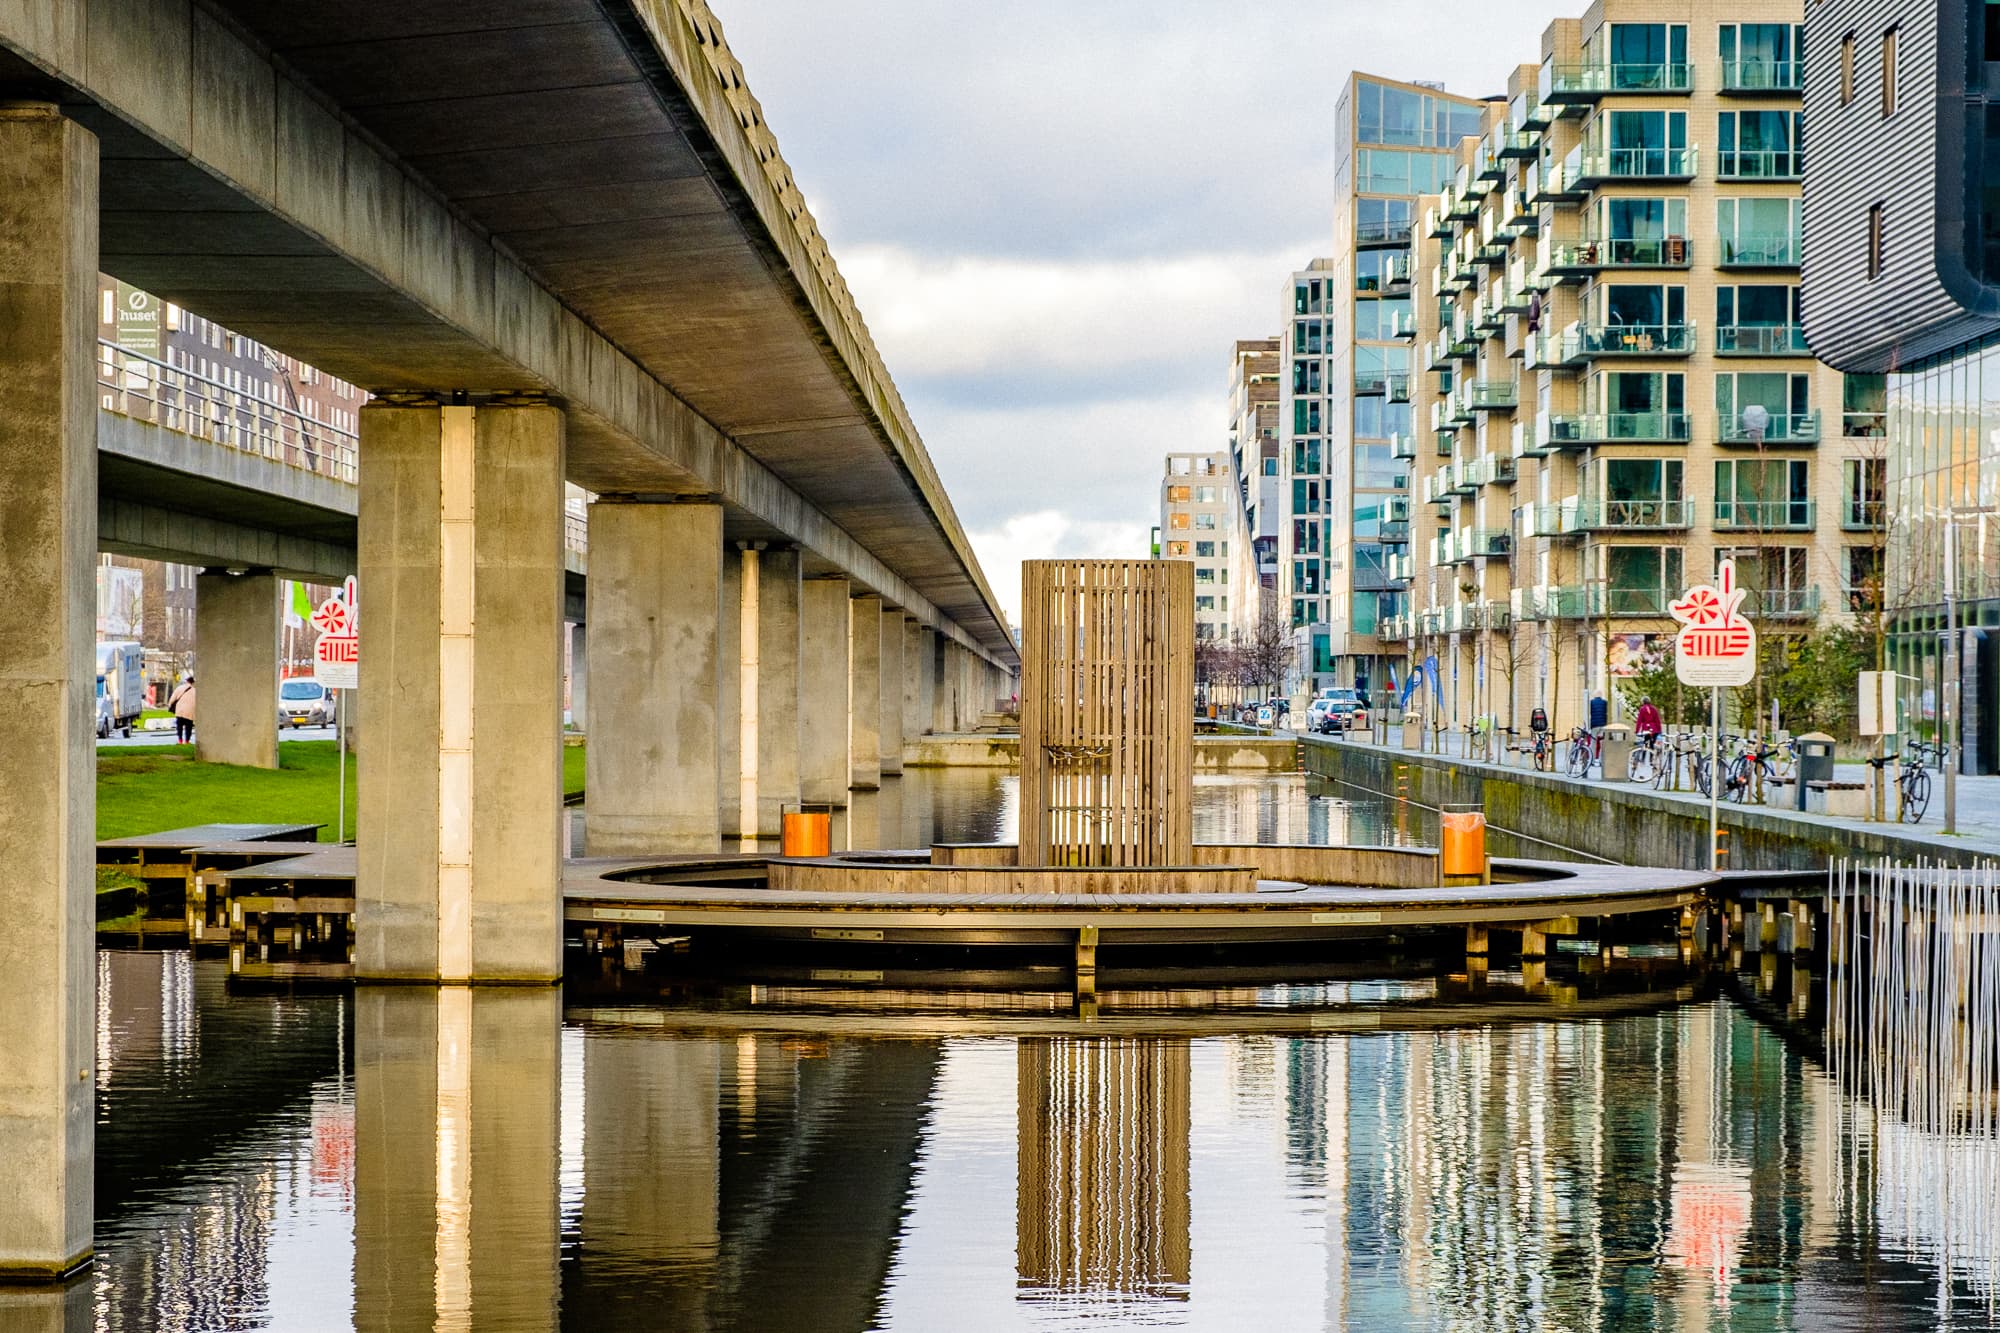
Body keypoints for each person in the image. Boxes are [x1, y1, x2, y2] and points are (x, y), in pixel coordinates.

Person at [169, 675, 196, 745]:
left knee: (179, 726)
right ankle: (187, 741)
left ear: (186, 681)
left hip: (179, 711)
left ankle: (180, 740)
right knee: (188, 727)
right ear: (193, 682)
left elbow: (172, 698)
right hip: (190, 711)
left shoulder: (179, 688)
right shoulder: (195, 691)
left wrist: (170, 705)